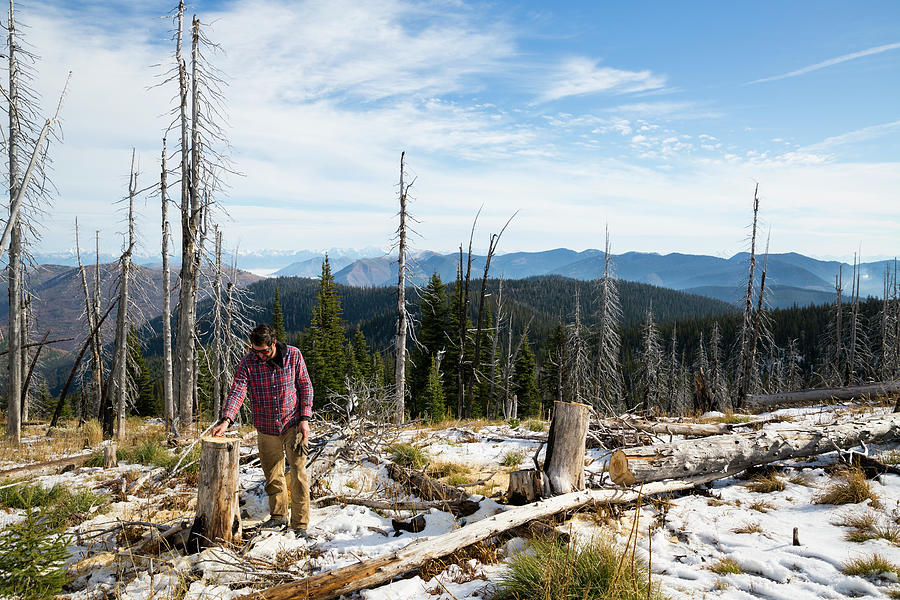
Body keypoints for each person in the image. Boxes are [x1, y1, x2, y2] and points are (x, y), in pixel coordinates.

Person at [210, 323, 314, 536]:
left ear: (273, 343)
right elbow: (238, 389)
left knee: (298, 474)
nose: (260, 356)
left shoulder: (293, 355)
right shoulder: (249, 361)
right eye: (255, 351)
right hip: (266, 427)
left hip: (294, 424)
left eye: (264, 351)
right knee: (273, 475)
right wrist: (226, 420)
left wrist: (305, 418)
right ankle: (278, 516)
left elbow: (305, 386)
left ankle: (300, 524)